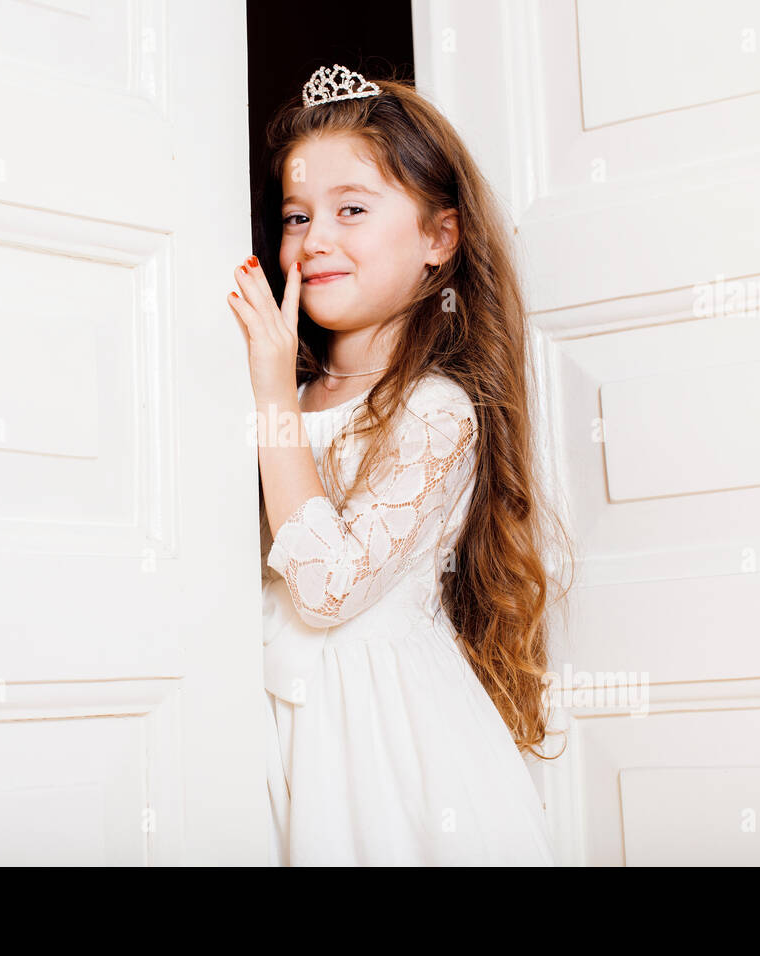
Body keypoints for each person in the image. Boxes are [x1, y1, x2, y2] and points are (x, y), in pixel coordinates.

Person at [228, 64, 574, 866]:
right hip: (275, 726)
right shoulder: (281, 388)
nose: (314, 240)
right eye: (295, 215)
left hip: (389, 745)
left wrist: (274, 392)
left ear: (438, 237)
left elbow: (326, 589)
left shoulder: (437, 409)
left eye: (352, 209)